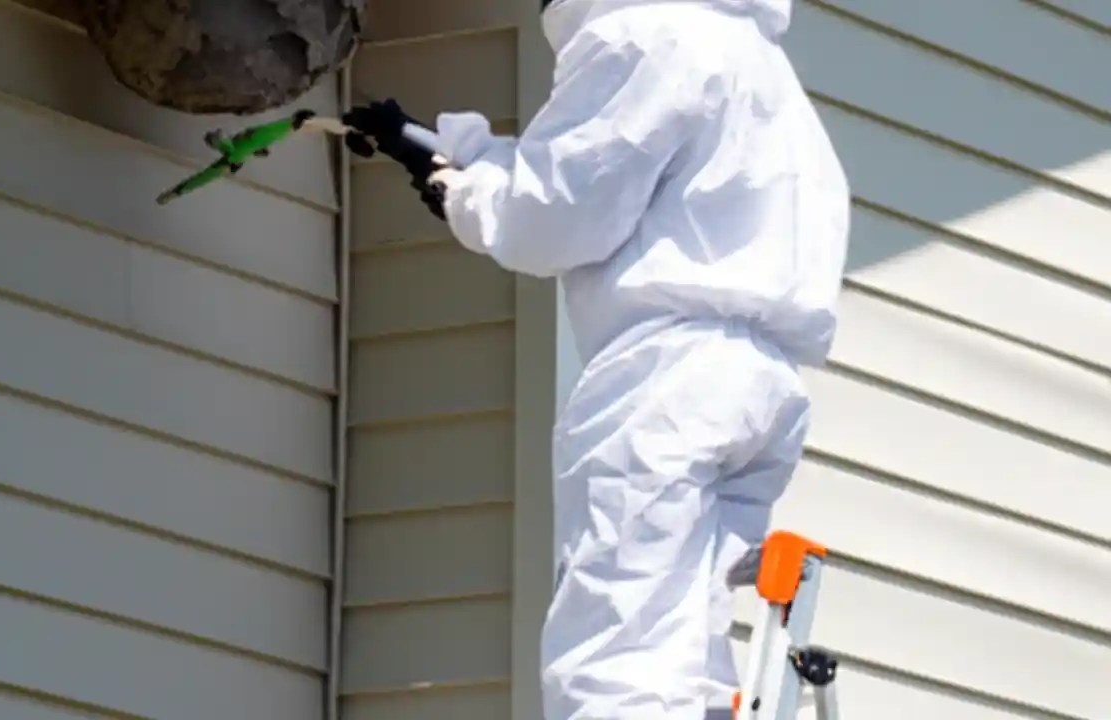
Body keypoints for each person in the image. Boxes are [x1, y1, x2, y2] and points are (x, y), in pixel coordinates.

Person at [342, 0, 850, 717]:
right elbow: (596, 173)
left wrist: (468, 195)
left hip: (667, 376)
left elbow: (554, 215)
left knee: (617, 649)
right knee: (679, 636)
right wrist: (478, 165)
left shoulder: (643, 34)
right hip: (759, 385)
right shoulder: (759, 66)